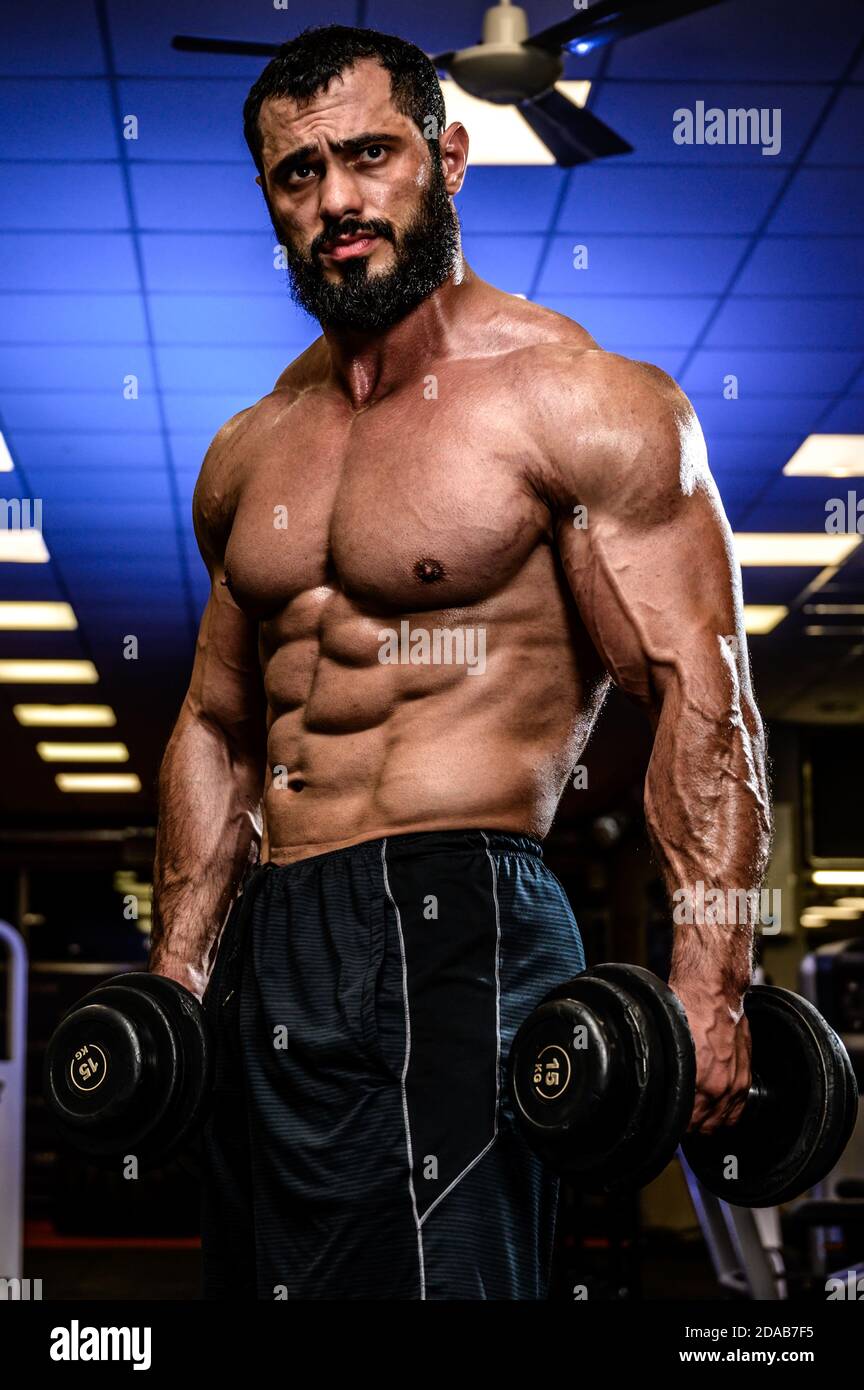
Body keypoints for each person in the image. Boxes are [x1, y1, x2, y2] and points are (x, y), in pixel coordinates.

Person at [149, 24, 771, 1300]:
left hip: (462, 916)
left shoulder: (581, 402)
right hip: (278, 934)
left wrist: (713, 977)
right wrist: (176, 969)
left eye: (369, 156)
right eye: (297, 174)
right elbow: (216, 722)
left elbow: (704, 701)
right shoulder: (250, 448)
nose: (336, 202)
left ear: (448, 157)